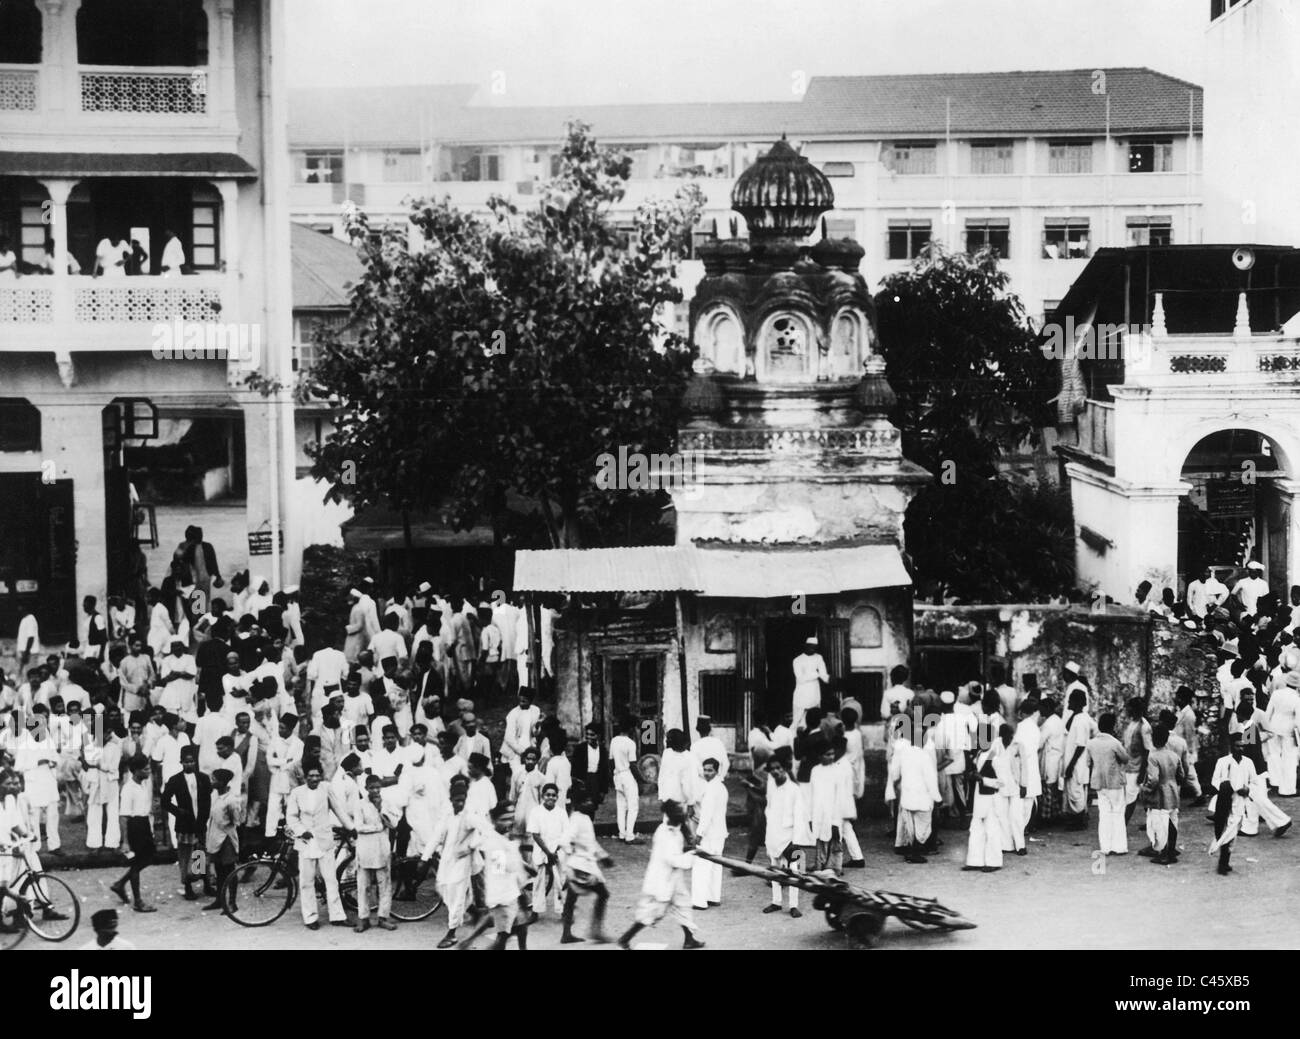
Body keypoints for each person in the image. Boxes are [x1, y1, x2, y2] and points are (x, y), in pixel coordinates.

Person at [617, 800, 704, 950]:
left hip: (674, 878)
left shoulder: (674, 829)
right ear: (670, 815)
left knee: (683, 905)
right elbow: (673, 860)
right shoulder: (664, 833)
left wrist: (690, 850)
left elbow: (679, 851)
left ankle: (689, 940)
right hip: (661, 880)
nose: (683, 815)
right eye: (679, 813)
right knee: (652, 912)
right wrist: (692, 855)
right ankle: (624, 939)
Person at [285, 763, 354, 930]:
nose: (314, 779)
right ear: (304, 777)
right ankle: (310, 917)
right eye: (311, 776)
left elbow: (338, 809)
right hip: (306, 842)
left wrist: (351, 828)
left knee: (331, 880)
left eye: (317, 776)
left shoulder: (326, 788)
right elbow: (292, 817)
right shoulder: (297, 793)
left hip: (324, 840)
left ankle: (337, 916)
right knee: (306, 881)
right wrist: (301, 831)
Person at [422, 778, 480, 948]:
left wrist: (470, 847)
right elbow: (436, 837)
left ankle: (452, 933)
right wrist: (424, 858)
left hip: (464, 861)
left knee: (457, 893)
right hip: (447, 859)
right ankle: (475, 912)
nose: (460, 803)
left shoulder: (470, 816)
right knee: (443, 888)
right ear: (451, 800)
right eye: (457, 800)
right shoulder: (447, 815)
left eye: (463, 800)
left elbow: (482, 832)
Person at [559, 789, 615, 944]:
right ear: (578, 804)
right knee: (603, 894)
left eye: (590, 800)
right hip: (581, 866)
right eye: (586, 801)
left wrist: (603, 856)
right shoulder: (577, 819)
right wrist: (573, 855)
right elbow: (564, 840)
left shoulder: (584, 818)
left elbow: (591, 843)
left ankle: (566, 934)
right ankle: (596, 930)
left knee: (571, 899)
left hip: (582, 864)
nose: (590, 803)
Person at [161, 746, 211, 901]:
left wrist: (204, 819)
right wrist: (179, 812)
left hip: (200, 822)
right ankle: (188, 885)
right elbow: (164, 801)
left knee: (200, 852)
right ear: (181, 762)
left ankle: (205, 882)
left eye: (192, 761)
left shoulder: (203, 778)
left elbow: (207, 800)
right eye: (186, 762)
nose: (189, 765)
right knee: (185, 855)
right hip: (185, 824)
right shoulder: (175, 780)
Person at [761, 749, 807, 914]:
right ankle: (776, 901)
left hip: (789, 837)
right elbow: (769, 813)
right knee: (775, 870)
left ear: (785, 768)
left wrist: (796, 841)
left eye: (778, 768)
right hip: (774, 835)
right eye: (772, 769)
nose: (775, 771)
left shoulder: (794, 789)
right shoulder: (772, 788)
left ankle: (793, 905)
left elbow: (799, 817)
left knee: (794, 871)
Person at [110, 756, 158, 913]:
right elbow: (123, 816)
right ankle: (138, 901)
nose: (149, 771)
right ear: (135, 771)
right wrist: (125, 841)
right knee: (136, 863)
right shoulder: (128, 788)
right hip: (134, 826)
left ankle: (120, 883)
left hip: (144, 824)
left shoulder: (143, 784)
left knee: (148, 857)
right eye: (145, 769)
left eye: (149, 768)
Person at [885, 730, 940, 864]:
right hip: (923, 797)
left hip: (907, 796)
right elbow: (930, 779)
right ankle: (915, 852)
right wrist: (937, 797)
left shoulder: (904, 754)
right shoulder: (925, 756)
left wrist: (898, 784)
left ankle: (911, 850)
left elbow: (895, 773)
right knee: (923, 827)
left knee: (910, 826)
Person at [353, 775, 400, 933]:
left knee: (385, 885)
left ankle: (383, 917)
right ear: (366, 788)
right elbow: (358, 827)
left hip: (382, 849)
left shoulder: (386, 803)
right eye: (371, 787)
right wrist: (377, 827)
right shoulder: (359, 804)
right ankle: (363, 918)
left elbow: (393, 824)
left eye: (377, 787)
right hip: (365, 850)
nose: (375, 790)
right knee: (363, 886)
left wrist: (381, 810)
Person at [1209, 734, 1256, 875]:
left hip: (1240, 802)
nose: (1240, 749)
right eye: (1237, 746)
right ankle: (1223, 863)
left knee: (1233, 831)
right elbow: (1215, 780)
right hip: (1225, 800)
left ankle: (1225, 860)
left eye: (1243, 746)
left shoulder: (1248, 762)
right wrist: (1225, 787)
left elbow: (1254, 781)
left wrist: (1248, 789)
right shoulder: (1223, 762)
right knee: (1224, 829)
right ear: (1231, 746)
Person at [1085, 712, 1130, 856]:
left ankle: (1105, 847)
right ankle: (1119, 846)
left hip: (1099, 783)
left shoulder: (1091, 743)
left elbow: (1087, 762)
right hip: (1115, 782)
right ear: (1113, 727)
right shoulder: (1115, 743)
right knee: (1117, 812)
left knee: (1104, 814)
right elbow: (1125, 758)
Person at [1142, 726, 1184, 865]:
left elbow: (1153, 779)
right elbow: (1181, 775)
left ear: (1154, 739)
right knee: (1172, 822)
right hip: (1172, 790)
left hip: (1159, 794)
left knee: (1160, 824)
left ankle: (1165, 853)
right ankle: (1171, 850)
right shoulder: (1173, 755)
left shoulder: (1153, 757)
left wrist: (1146, 789)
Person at [691, 757, 728, 908]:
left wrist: (699, 834)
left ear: (717, 771)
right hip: (719, 832)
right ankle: (713, 896)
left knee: (701, 865)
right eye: (705, 770)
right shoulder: (720, 786)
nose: (706, 773)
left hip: (710, 833)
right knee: (716, 864)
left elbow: (706, 815)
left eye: (710, 770)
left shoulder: (712, 789)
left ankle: (699, 901)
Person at [526, 782, 567, 918]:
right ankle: (535, 910)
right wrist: (547, 852)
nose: (551, 798)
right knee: (538, 881)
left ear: (557, 797)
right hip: (541, 851)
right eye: (548, 795)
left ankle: (562, 910)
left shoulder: (561, 812)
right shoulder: (536, 811)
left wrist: (555, 851)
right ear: (543, 796)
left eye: (554, 795)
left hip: (557, 852)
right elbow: (535, 834)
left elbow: (565, 835)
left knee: (559, 881)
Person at [203, 768, 241, 909]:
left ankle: (232, 902)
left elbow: (236, 821)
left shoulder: (231, 800)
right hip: (214, 837)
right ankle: (220, 900)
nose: (212, 782)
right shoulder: (216, 796)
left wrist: (225, 826)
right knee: (219, 870)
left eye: (214, 779)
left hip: (226, 839)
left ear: (222, 782)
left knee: (230, 870)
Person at [964, 743, 1005, 872]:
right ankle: (975, 861)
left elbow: (1002, 782)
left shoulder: (996, 758)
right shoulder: (978, 755)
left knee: (992, 830)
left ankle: (994, 861)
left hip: (991, 799)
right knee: (976, 829)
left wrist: (983, 779)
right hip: (978, 798)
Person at [1060, 690, 1096, 830]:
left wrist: (1070, 765)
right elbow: (1068, 727)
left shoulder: (1081, 719)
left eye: (1070, 701)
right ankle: (1077, 818)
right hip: (1076, 761)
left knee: (1076, 792)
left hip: (1077, 762)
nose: (1068, 703)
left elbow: (1081, 745)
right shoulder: (1079, 716)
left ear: (1077, 703)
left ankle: (1079, 820)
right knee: (1074, 790)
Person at [265, 713, 303, 838]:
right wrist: (284, 761)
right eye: (279, 727)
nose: (279, 730)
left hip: (290, 781)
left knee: (291, 810)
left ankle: (292, 836)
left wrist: (282, 763)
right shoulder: (274, 741)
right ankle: (270, 837)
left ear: (290, 729)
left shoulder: (298, 744)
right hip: (276, 778)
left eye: (283, 728)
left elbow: (295, 764)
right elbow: (269, 760)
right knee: (273, 809)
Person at [992, 724, 1026, 855]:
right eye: (1005, 735)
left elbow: (1024, 766)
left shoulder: (1018, 745)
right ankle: (1006, 845)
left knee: (1016, 816)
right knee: (1002, 815)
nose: (1008, 737)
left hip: (1015, 785)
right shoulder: (995, 745)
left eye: (1010, 735)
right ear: (1000, 735)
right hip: (1000, 786)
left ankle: (1020, 845)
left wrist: (1024, 785)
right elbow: (988, 763)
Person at [1265, 671, 1300, 797]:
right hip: (1289, 729)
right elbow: (1298, 719)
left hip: (1274, 725)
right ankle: (1287, 789)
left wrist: (1266, 726)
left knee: (1273, 754)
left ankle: (1275, 781)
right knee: (1289, 758)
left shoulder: (1276, 694)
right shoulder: (1296, 698)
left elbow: (1268, 711)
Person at [1121, 698, 1154, 825]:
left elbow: (1147, 751)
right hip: (1128, 766)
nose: (1127, 710)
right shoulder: (1131, 723)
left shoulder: (1144, 727)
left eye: (1129, 707)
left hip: (1137, 768)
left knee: (1131, 798)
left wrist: (1142, 773)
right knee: (1139, 797)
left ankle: (1123, 824)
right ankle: (1152, 822)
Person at [609, 716, 640, 843]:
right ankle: (630, 835)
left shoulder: (614, 740)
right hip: (627, 774)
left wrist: (613, 775)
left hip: (617, 774)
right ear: (631, 728)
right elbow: (633, 764)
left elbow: (610, 761)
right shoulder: (630, 743)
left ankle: (622, 833)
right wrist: (640, 779)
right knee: (633, 806)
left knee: (621, 805)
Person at [792, 637, 829, 733]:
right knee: (797, 722)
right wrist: (816, 674)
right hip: (801, 695)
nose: (813, 649)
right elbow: (800, 678)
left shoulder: (818, 657)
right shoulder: (797, 660)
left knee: (814, 722)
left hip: (814, 695)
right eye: (811, 647)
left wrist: (828, 679)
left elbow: (824, 675)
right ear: (806, 646)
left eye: (815, 647)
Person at [571, 723, 611, 806]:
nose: (589, 737)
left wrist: (603, 790)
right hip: (583, 781)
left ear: (598, 735)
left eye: (592, 735)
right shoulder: (580, 749)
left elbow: (605, 771)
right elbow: (574, 769)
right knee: (582, 807)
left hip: (595, 781)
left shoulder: (602, 750)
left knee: (593, 807)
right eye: (587, 734)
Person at [502, 688, 540, 765]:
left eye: (525, 699)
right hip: (514, 751)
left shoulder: (535, 710)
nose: (522, 700)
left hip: (530, 746)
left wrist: (537, 726)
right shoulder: (513, 714)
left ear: (531, 700)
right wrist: (523, 752)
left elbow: (534, 733)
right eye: (521, 698)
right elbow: (509, 738)